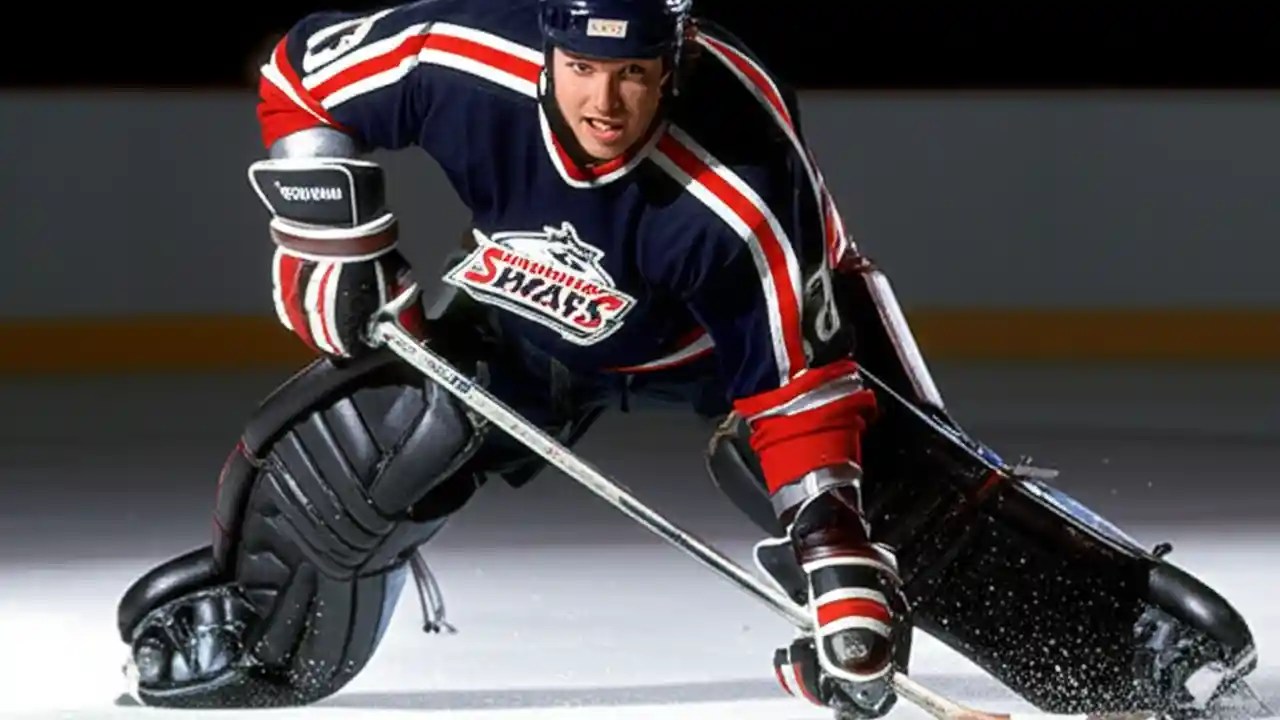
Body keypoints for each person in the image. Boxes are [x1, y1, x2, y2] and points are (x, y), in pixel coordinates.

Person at [115, 0, 910, 716]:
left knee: (897, 504)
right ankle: (263, 633)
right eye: (583, 68)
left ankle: (929, 601)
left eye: (632, 72)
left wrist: (835, 551)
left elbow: (799, 391)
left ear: (675, 62)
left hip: (716, 346)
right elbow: (300, 73)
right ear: (546, 41)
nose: (604, 103)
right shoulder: (458, 53)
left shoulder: (745, 182)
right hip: (529, 323)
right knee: (373, 445)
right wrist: (327, 237)